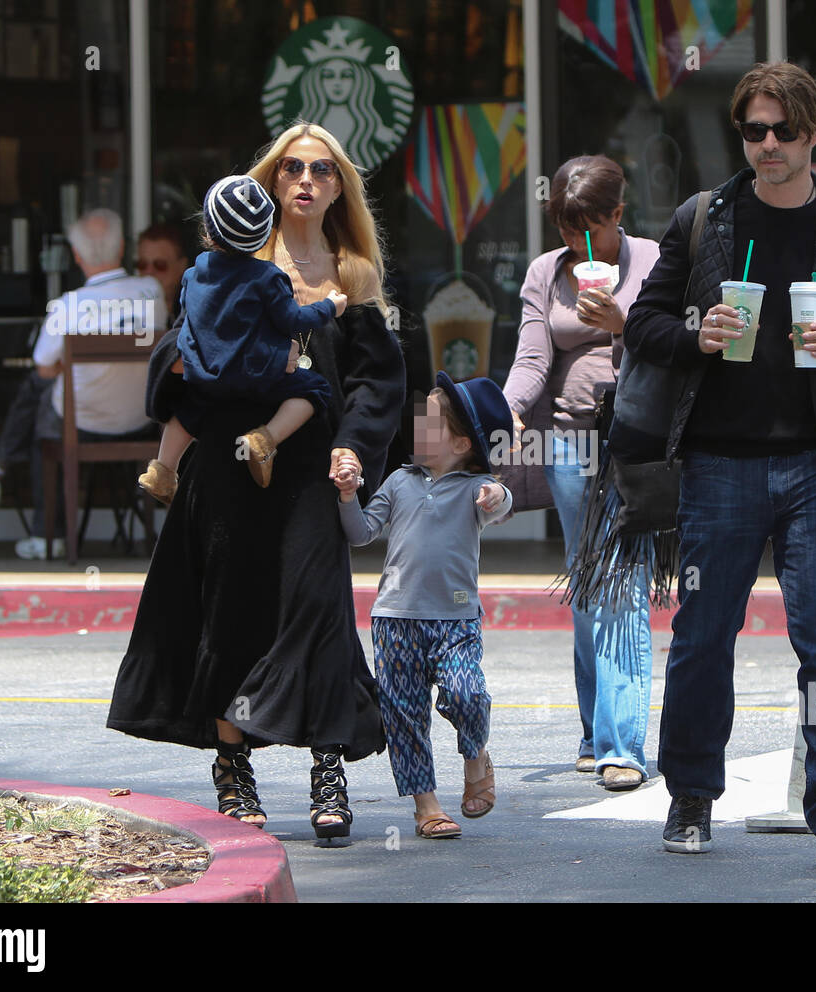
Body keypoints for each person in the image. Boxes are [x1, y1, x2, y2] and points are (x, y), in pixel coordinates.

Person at [622, 62, 816, 872]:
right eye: (753, 131)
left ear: (814, 132)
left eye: (784, 131)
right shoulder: (705, 218)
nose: (768, 146)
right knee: (700, 636)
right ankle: (690, 796)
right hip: (719, 461)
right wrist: (699, 338)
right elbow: (644, 324)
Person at [106, 120, 406, 840]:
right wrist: (179, 368)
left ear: (340, 188)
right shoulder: (229, 259)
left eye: (324, 170)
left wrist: (356, 450)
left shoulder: (353, 275)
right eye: (294, 167)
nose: (308, 179)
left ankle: (328, 769)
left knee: (320, 608)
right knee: (227, 612)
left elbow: (378, 383)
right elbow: (177, 350)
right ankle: (233, 770)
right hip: (225, 462)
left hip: (311, 468)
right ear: (272, 180)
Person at [503, 155, 662, 791]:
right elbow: (533, 356)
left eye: (590, 229)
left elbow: (676, 346)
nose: (579, 244)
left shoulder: (651, 260)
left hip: (634, 442)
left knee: (622, 585)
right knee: (590, 584)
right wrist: (506, 410)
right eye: (569, 232)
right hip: (569, 446)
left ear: (617, 215)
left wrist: (624, 327)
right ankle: (596, 729)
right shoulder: (547, 272)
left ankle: (622, 744)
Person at [336, 373, 513, 839]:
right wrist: (348, 496)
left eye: (429, 421)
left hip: (455, 618)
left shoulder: (475, 488)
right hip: (395, 618)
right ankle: (427, 806)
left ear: (458, 442)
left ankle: (475, 756)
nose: (417, 427)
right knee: (405, 714)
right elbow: (361, 534)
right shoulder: (398, 481)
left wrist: (497, 492)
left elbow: (499, 503)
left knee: (467, 693)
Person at [0, 209, 166, 559]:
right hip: (140, 421)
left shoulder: (68, 306)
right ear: (120, 248)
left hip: (82, 425)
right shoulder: (151, 291)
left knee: (39, 397)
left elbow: (43, 368)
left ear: (75, 256)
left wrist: (67, 364)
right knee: (44, 398)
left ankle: (37, 524)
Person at [137, 175, 345, 505]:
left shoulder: (194, 274)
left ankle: (163, 469)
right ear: (264, 235)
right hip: (256, 380)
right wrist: (329, 307)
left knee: (184, 414)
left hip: (205, 378)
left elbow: (192, 320)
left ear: (207, 231)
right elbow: (293, 321)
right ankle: (265, 439)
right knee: (315, 390)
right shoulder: (268, 277)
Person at [134, 222, 190, 323]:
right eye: (142, 265)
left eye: (160, 265)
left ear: (182, 265)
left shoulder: (194, 316)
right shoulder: (126, 318)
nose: (149, 272)